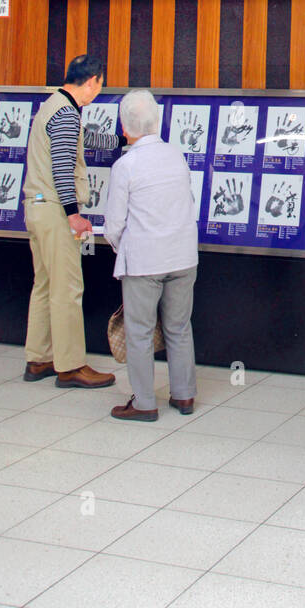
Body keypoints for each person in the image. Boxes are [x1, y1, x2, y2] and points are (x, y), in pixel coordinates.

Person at [102, 89, 199, 421]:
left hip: (145, 260)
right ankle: (184, 396)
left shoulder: (125, 165)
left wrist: (121, 246)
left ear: (125, 127)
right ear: (157, 121)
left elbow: (114, 224)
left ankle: (144, 403)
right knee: (179, 326)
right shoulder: (177, 155)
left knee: (140, 331)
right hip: (184, 256)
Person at [22, 54, 115, 389]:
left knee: (45, 285)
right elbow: (63, 166)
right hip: (54, 212)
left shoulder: (55, 106)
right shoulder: (65, 112)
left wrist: (120, 141)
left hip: (37, 207)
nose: (98, 93)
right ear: (92, 80)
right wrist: (73, 214)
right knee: (68, 287)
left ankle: (39, 357)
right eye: (99, 85)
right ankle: (71, 365)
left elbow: (79, 142)